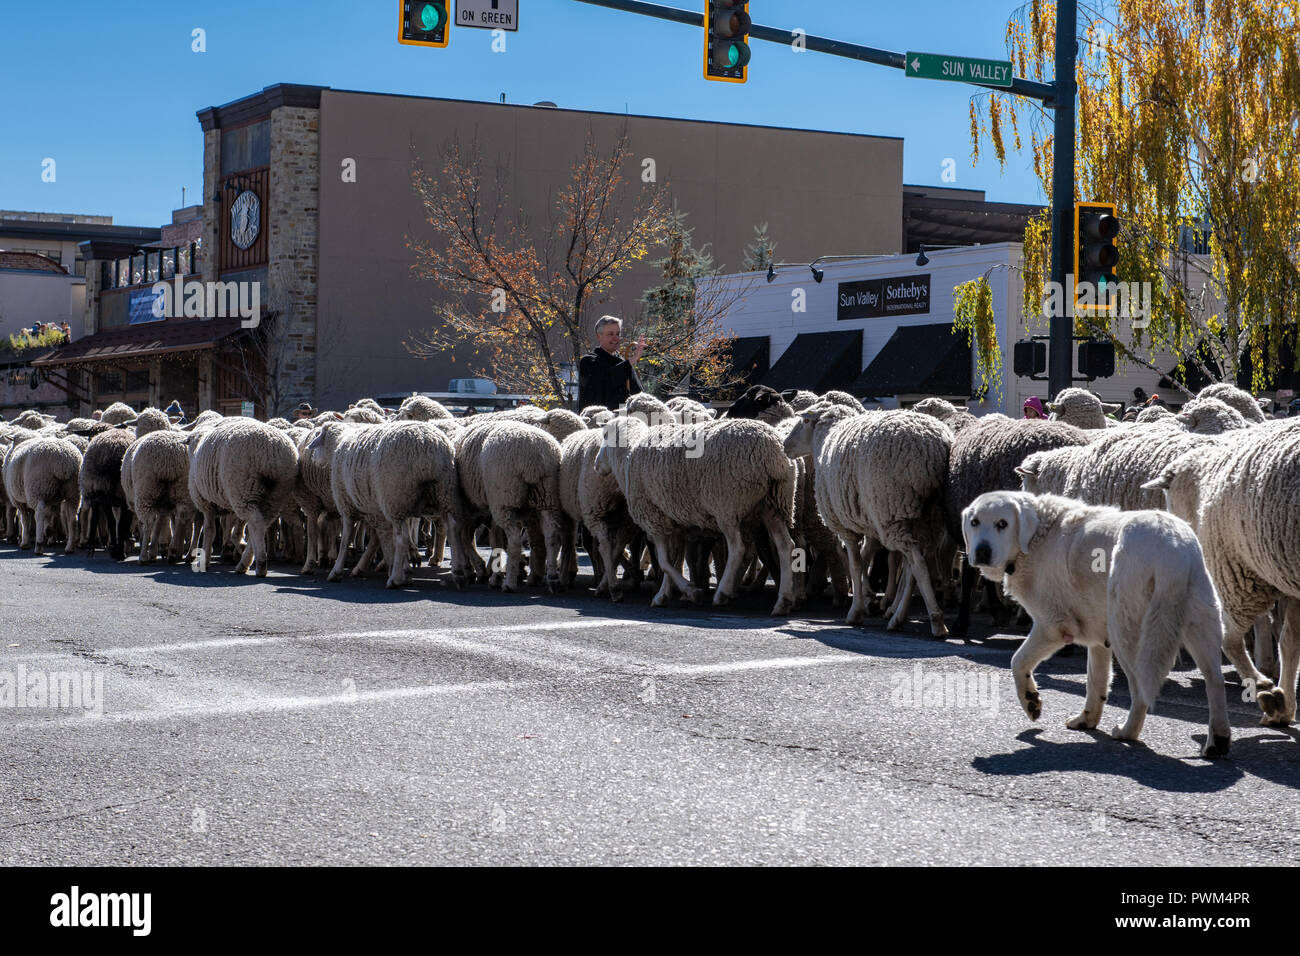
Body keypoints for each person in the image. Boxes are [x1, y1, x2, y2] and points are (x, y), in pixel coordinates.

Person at [578, 315, 646, 411]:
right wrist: (632, 360)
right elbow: (606, 379)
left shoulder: (623, 363)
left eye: (617, 334)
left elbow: (638, 395)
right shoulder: (588, 361)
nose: (615, 338)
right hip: (597, 421)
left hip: (622, 421)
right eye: (610, 334)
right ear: (599, 336)